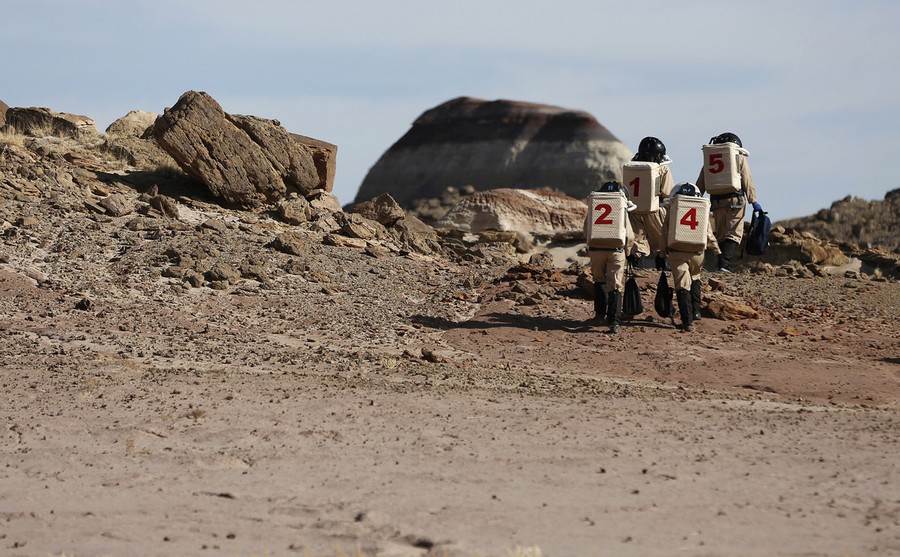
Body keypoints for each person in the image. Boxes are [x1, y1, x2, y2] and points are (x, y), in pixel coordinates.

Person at [696, 132, 761, 272]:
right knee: (733, 233)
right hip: (735, 201)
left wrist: (696, 198)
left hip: (716, 202)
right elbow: (747, 180)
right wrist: (753, 201)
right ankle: (724, 264)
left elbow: (701, 182)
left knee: (720, 233)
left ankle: (720, 263)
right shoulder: (739, 158)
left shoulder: (710, 159)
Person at [663, 182, 719, 332]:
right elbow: (708, 233)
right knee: (695, 278)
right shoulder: (701, 209)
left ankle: (687, 322)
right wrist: (717, 251)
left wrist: (661, 253)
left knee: (682, 285)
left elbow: (665, 232)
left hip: (677, 251)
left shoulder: (673, 209)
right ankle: (696, 312)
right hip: (698, 253)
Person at [584, 180, 637, 334]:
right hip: (616, 250)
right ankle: (614, 323)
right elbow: (630, 236)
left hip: (596, 249)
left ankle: (600, 315)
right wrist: (627, 252)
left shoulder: (595, 205)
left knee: (599, 280)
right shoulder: (620, 208)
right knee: (615, 285)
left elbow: (586, 230)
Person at [625, 136, 675, 271]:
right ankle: (662, 271)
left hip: (634, 210)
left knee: (638, 241)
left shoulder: (631, 167)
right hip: (655, 209)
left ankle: (637, 270)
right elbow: (667, 192)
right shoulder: (662, 168)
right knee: (662, 242)